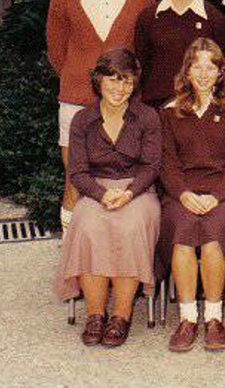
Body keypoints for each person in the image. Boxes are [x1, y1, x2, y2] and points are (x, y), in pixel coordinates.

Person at [47, 0, 156, 231]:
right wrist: (80, 76)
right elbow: (56, 51)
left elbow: (145, 52)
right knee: (74, 181)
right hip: (75, 100)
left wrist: (125, 89)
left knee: (122, 183)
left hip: (124, 105)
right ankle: (72, 258)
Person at [52, 49, 162, 348]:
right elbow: (77, 172)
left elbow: (152, 166)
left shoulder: (147, 116)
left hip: (138, 190)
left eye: (127, 81)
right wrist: (102, 195)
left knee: (129, 228)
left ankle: (121, 317)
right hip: (95, 189)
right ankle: (96, 315)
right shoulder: (82, 121)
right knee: (87, 225)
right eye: (113, 80)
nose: (120, 88)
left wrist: (127, 193)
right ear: (99, 80)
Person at [157, 38, 225, 353]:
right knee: (182, 232)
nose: (204, 72)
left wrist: (216, 196)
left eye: (211, 66)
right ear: (187, 70)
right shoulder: (170, 111)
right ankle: (187, 319)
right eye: (197, 65)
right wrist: (183, 194)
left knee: (214, 234)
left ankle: (213, 318)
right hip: (181, 194)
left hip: (222, 196)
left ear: (221, 71)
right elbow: (167, 163)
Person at [134, 0, 225, 108]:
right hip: (157, 108)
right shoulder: (149, 17)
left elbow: (223, 69)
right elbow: (141, 66)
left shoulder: (215, 19)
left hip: (200, 110)